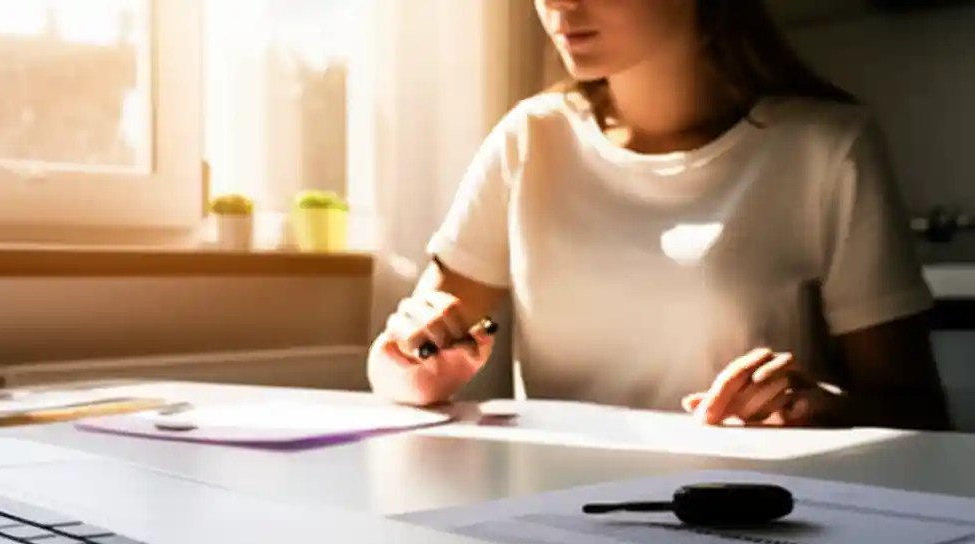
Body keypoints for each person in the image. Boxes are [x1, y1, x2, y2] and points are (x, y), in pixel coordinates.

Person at [367, 0, 951, 430]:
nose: (559, 5)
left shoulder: (827, 147)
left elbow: (919, 414)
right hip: (558, 516)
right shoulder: (531, 138)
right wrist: (412, 366)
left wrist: (819, 406)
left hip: (746, 526)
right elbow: (405, 354)